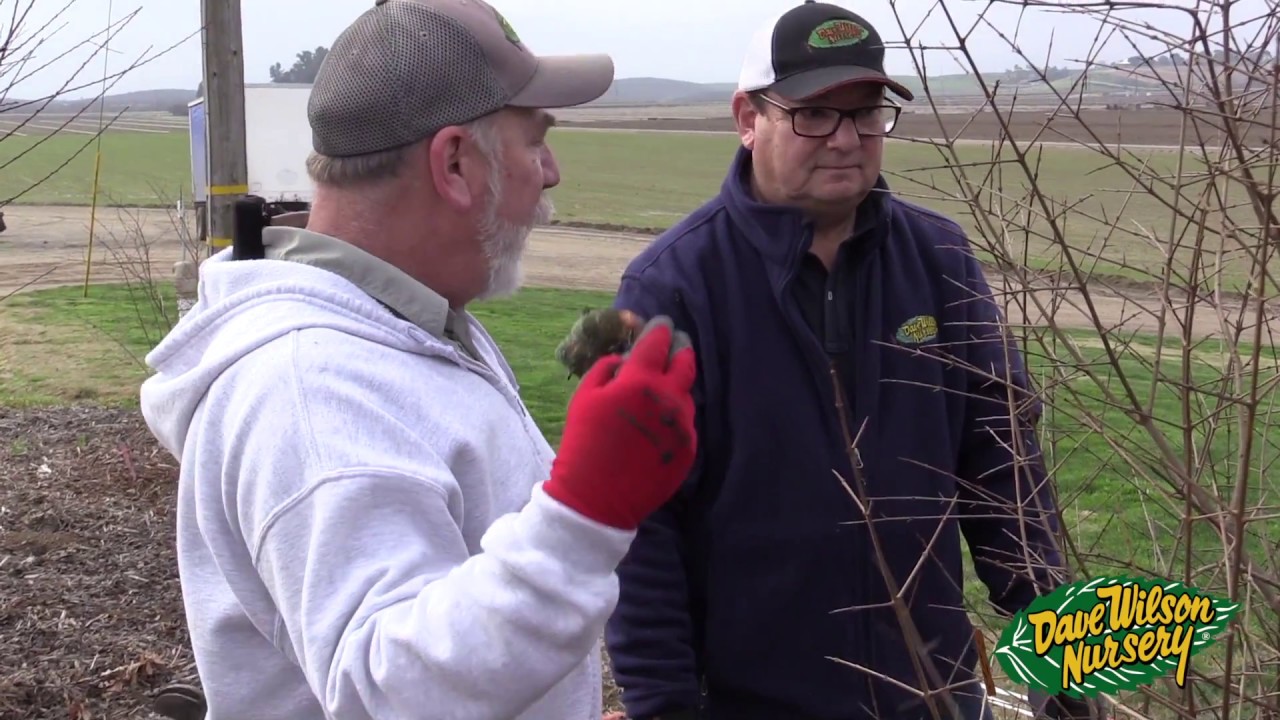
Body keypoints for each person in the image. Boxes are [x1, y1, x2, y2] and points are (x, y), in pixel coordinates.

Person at [137, 1, 699, 718]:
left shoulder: (409, 324)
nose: (552, 173)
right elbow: (388, 692)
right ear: (456, 163)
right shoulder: (313, 389)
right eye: (535, 141)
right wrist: (587, 511)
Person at [601, 2, 1100, 719]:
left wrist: (1066, 666)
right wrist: (666, 705)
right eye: (814, 114)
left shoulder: (939, 260)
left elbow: (1004, 470)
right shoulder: (673, 287)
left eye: (865, 113)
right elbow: (642, 525)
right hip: (755, 704)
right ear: (747, 118)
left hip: (933, 697)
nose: (845, 139)